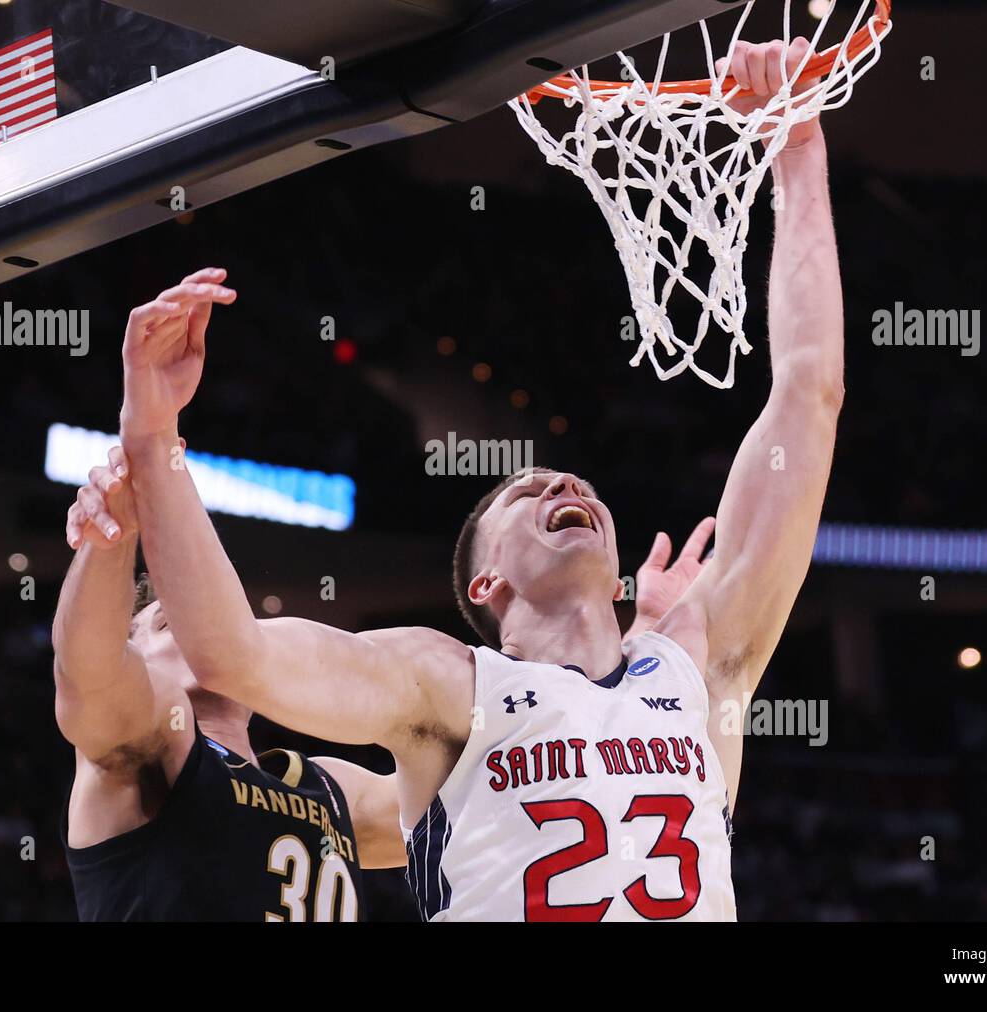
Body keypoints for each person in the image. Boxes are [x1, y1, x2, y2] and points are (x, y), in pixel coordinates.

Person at [120, 39, 843, 920]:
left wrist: (797, 146)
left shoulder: (696, 666)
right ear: (485, 581)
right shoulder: (447, 687)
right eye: (523, 493)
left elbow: (809, 395)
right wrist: (154, 439)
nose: (558, 484)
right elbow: (231, 651)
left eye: (567, 483)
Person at [53, 445, 403, 920]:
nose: (200, 631)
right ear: (135, 660)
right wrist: (112, 539)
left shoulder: (331, 787)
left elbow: (464, 800)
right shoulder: (153, 748)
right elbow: (87, 669)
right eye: (168, 622)